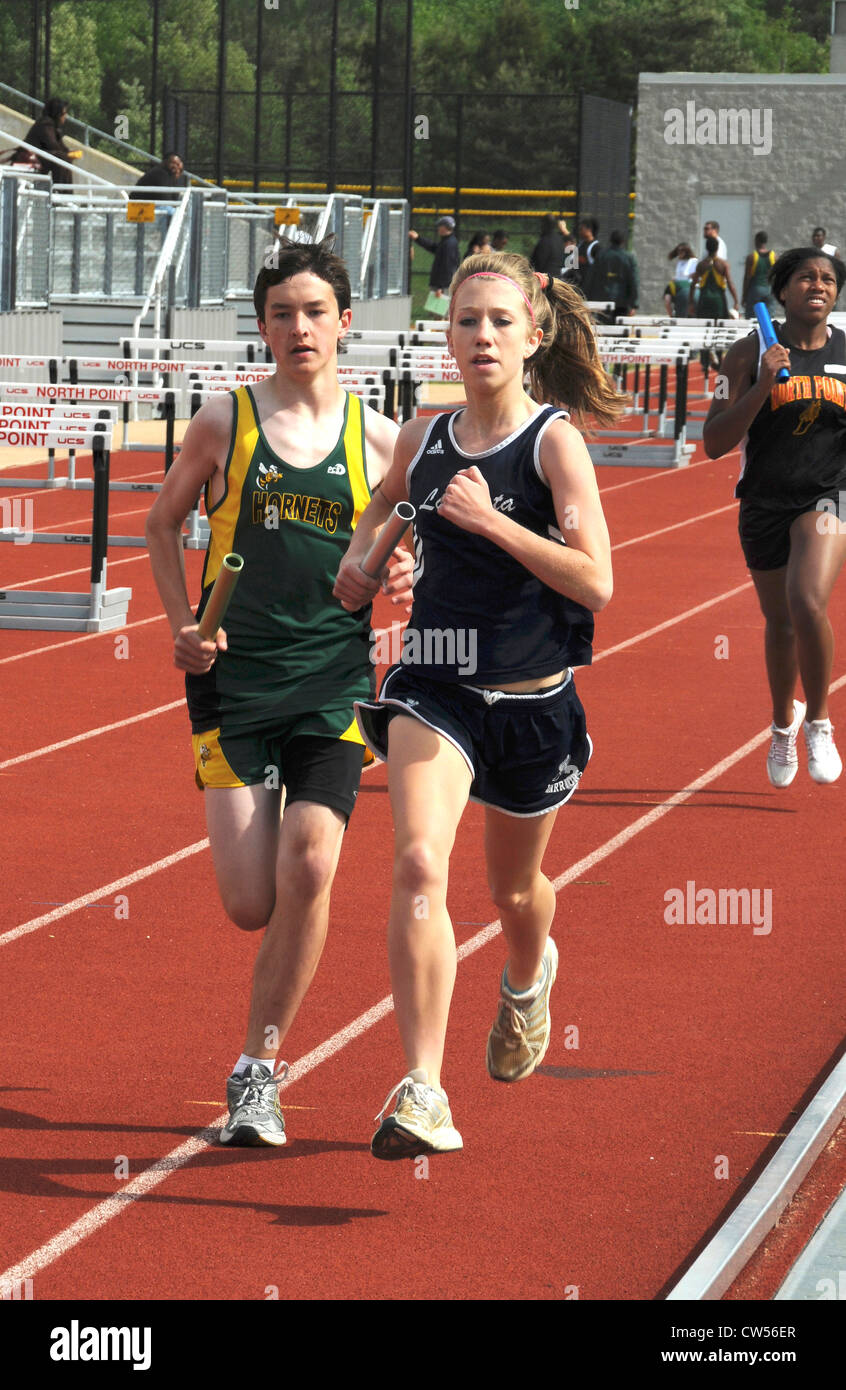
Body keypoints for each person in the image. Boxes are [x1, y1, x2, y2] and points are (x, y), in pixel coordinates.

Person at [333, 251, 621, 1159]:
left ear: (533, 336)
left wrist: (492, 521)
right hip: (437, 682)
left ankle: (530, 975)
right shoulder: (422, 439)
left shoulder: (551, 444)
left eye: (500, 321)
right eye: (467, 322)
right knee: (419, 862)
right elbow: (384, 506)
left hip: (533, 702)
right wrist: (364, 558)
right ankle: (423, 1089)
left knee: (512, 890)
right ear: (446, 337)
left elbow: (598, 582)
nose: (483, 337)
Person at [145, 236, 412, 1147]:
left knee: (311, 863)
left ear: (345, 323)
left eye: (315, 311)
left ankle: (257, 1072)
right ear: (262, 327)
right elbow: (159, 521)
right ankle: (256, 1064)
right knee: (250, 903)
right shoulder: (226, 421)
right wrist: (183, 624)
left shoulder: (379, 439)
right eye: (281, 313)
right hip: (232, 689)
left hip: (333, 685)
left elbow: (402, 551)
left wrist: (402, 575)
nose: (299, 327)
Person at [702, 246, 846, 787]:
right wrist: (763, 383)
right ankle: (782, 723)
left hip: (829, 496)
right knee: (781, 621)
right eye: (805, 277)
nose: (818, 285)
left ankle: (820, 721)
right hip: (763, 501)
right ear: (782, 291)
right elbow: (714, 443)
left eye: (828, 279)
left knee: (807, 601)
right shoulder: (743, 355)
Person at [690, 236, 740, 385]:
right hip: (719, 301)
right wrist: (736, 300)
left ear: (707, 248)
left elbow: (693, 284)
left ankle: (705, 362)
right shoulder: (722, 264)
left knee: (705, 331)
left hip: (704, 301)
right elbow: (730, 283)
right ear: (717, 248)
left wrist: (691, 303)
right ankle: (718, 359)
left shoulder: (701, 265)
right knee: (719, 331)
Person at [13, 97, 79, 185]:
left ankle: (65, 192)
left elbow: (61, 147)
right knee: (60, 157)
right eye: (64, 113)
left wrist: (70, 153)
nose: (65, 116)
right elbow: (52, 145)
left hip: (39, 160)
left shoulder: (53, 127)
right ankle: (63, 192)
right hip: (29, 160)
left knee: (63, 157)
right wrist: (67, 155)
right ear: (57, 114)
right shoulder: (45, 124)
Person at [409, 215, 461, 307]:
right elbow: (433, 247)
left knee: (440, 314)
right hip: (442, 284)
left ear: (444, 227)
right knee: (438, 313)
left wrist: (440, 287)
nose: (438, 228)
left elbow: (447, 267)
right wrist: (418, 238)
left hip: (443, 285)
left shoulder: (449, 244)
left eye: (439, 226)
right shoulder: (446, 241)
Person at [591, 229, 639, 322]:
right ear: (623, 241)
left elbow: (593, 277)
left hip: (604, 299)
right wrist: (634, 304)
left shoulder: (601, 255)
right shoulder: (629, 257)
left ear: (610, 240)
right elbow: (634, 281)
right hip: (622, 301)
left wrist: (591, 299)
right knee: (621, 331)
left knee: (603, 330)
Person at [742, 231, 776, 319]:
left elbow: (747, 278)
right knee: (769, 318)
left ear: (756, 240)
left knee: (751, 317)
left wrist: (744, 296)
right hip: (769, 289)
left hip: (755, 289)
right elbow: (776, 276)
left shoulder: (752, 257)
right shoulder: (774, 256)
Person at [663, 242, 698, 317]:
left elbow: (692, 275)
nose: (679, 254)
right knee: (667, 298)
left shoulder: (693, 261)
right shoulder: (680, 262)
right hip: (677, 283)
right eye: (678, 252)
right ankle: (671, 315)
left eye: (681, 252)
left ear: (687, 252)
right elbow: (679, 275)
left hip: (688, 284)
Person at [529, 214, 566, 279]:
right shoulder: (560, 240)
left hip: (546, 280)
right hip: (558, 278)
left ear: (544, 225)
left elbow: (538, 264)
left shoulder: (545, 241)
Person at [576, 216, 600, 297]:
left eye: (581, 229)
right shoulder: (580, 246)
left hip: (591, 291)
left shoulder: (596, 247)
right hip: (579, 288)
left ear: (589, 230)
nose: (579, 232)